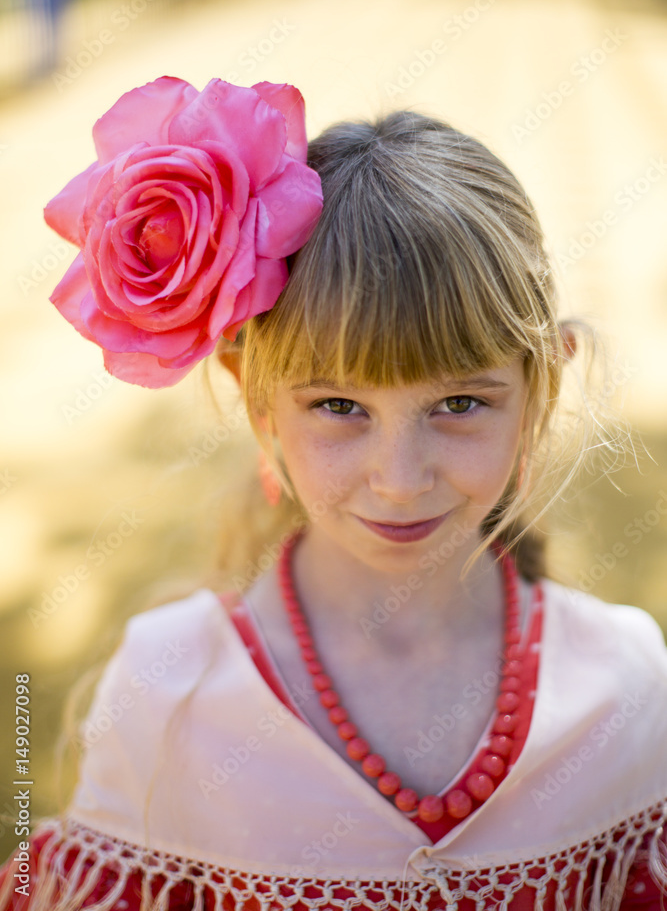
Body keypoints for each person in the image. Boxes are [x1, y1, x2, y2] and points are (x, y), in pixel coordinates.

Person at [1, 75, 666, 911]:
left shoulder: (629, 689)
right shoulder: (167, 695)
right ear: (256, 400)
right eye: (339, 407)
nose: (399, 477)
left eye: (458, 403)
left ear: (539, 390)